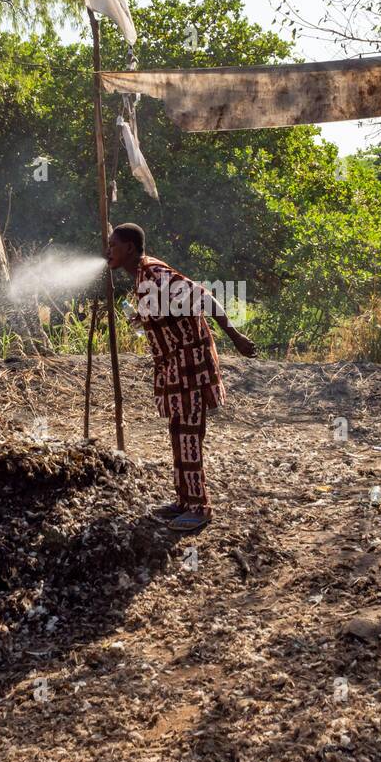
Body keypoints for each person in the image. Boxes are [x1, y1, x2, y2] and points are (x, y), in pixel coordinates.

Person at [105, 222, 256, 532]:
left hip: (190, 366)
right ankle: (184, 501)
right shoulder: (142, 278)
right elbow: (169, 312)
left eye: (113, 245)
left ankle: (199, 508)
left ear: (130, 248)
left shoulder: (155, 274)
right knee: (178, 432)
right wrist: (143, 316)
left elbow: (204, 298)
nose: (108, 251)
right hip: (173, 367)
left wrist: (235, 336)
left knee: (188, 434)